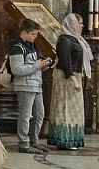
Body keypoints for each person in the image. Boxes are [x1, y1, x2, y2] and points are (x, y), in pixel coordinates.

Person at [48, 13, 92, 150]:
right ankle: (64, 139)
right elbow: (65, 61)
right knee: (65, 107)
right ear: (73, 24)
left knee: (74, 110)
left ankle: (72, 139)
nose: (82, 25)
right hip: (66, 78)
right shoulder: (64, 40)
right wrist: (73, 79)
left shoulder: (75, 39)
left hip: (74, 76)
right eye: (80, 23)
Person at [8, 18, 52, 153]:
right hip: (24, 85)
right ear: (24, 32)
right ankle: (24, 143)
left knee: (39, 114)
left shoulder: (31, 46)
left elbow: (32, 66)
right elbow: (17, 69)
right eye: (33, 34)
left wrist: (43, 65)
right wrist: (38, 65)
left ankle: (34, 141)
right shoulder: (17, 47)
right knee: (26, 115)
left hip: (36, 84)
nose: (35, 36)